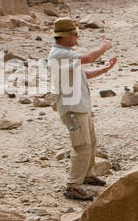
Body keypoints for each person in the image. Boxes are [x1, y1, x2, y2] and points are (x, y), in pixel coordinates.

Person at [48, 17, 116, 200]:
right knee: (82, 146)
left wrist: (103, 70)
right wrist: (104, 46)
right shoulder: (58, 54)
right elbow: (88, 58)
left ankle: (87, 174)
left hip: (81, 106)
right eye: (75, 34)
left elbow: (83, 72)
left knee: (91, 142)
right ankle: (73, 186)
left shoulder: (65, 53)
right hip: (72, 109)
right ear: (65, 36)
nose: (77, 37)